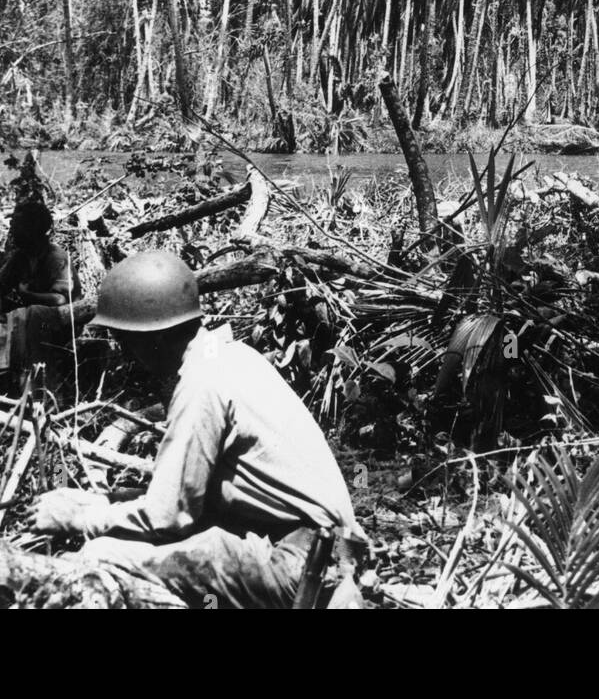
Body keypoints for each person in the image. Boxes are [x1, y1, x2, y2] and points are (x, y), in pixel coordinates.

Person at [31, 250, 365, 608]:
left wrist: (80, 516)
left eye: (124, 339)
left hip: (301, 566)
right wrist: (103, 502)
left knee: (100, 556)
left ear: (148, 338)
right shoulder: (228, 356)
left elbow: (168, 516)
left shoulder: (201, 382)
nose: (126, 353)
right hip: (323, 552)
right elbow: (194, 499)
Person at [0, 200, 80, 317]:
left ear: (32, 230)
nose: (12, 232)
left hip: (60, 319)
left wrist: (27, 294)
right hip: (31, 311)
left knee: (35, 312)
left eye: (17, 227)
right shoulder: (21, 255)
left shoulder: (57, 259)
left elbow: (60, 301)